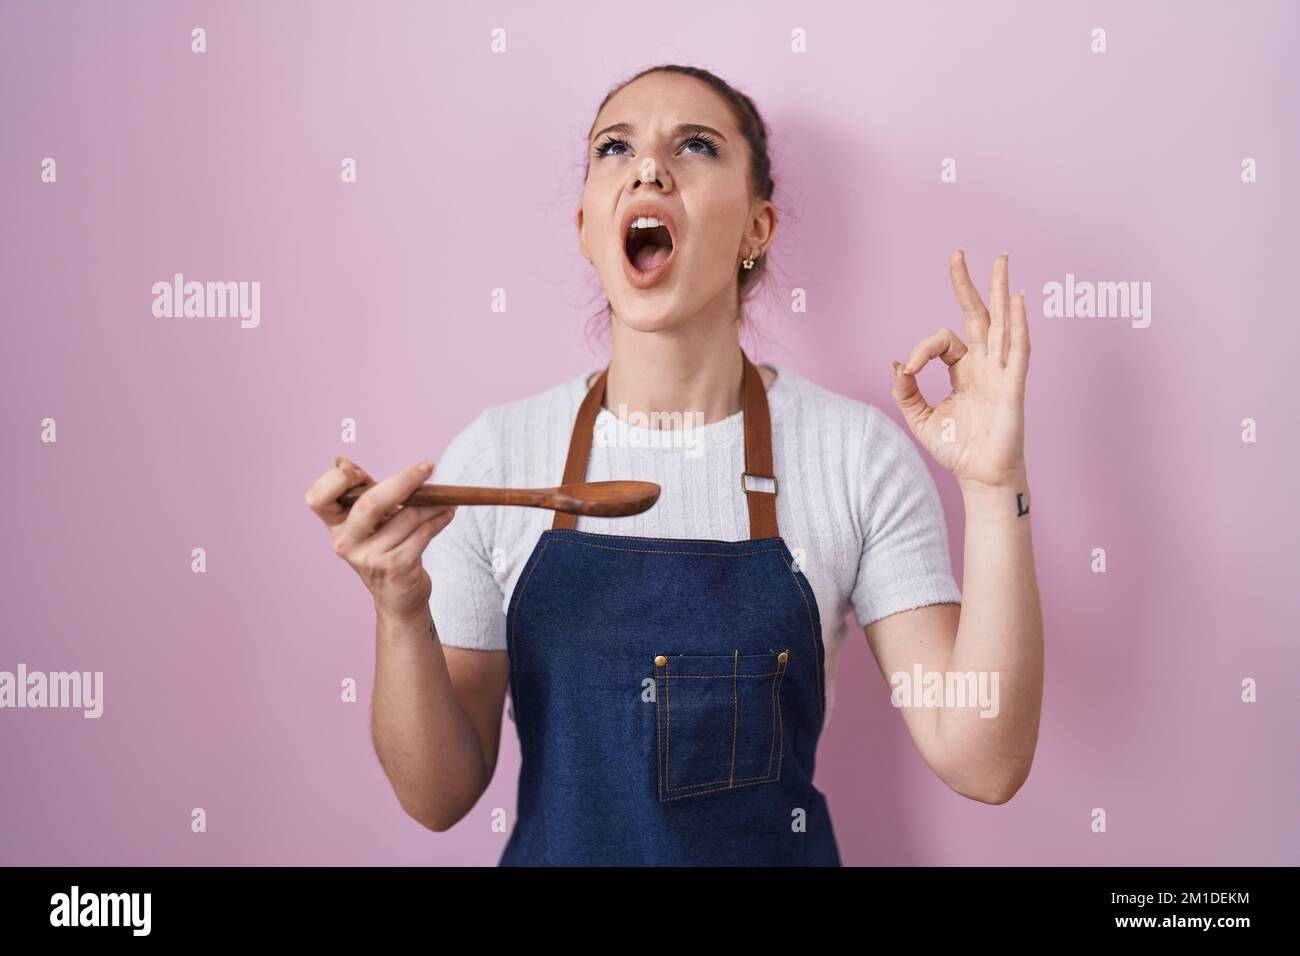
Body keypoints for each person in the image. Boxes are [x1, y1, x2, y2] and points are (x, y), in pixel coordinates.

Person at [304, 64, 1044, 866]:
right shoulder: (498, 453)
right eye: (615, 148)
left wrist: (995, 485)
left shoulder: (855, 456)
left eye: (695, 145)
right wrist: (400, 606)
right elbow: (436, 796)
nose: (648, 167)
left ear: (758, 229)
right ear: (588, 222)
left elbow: (985, 760)